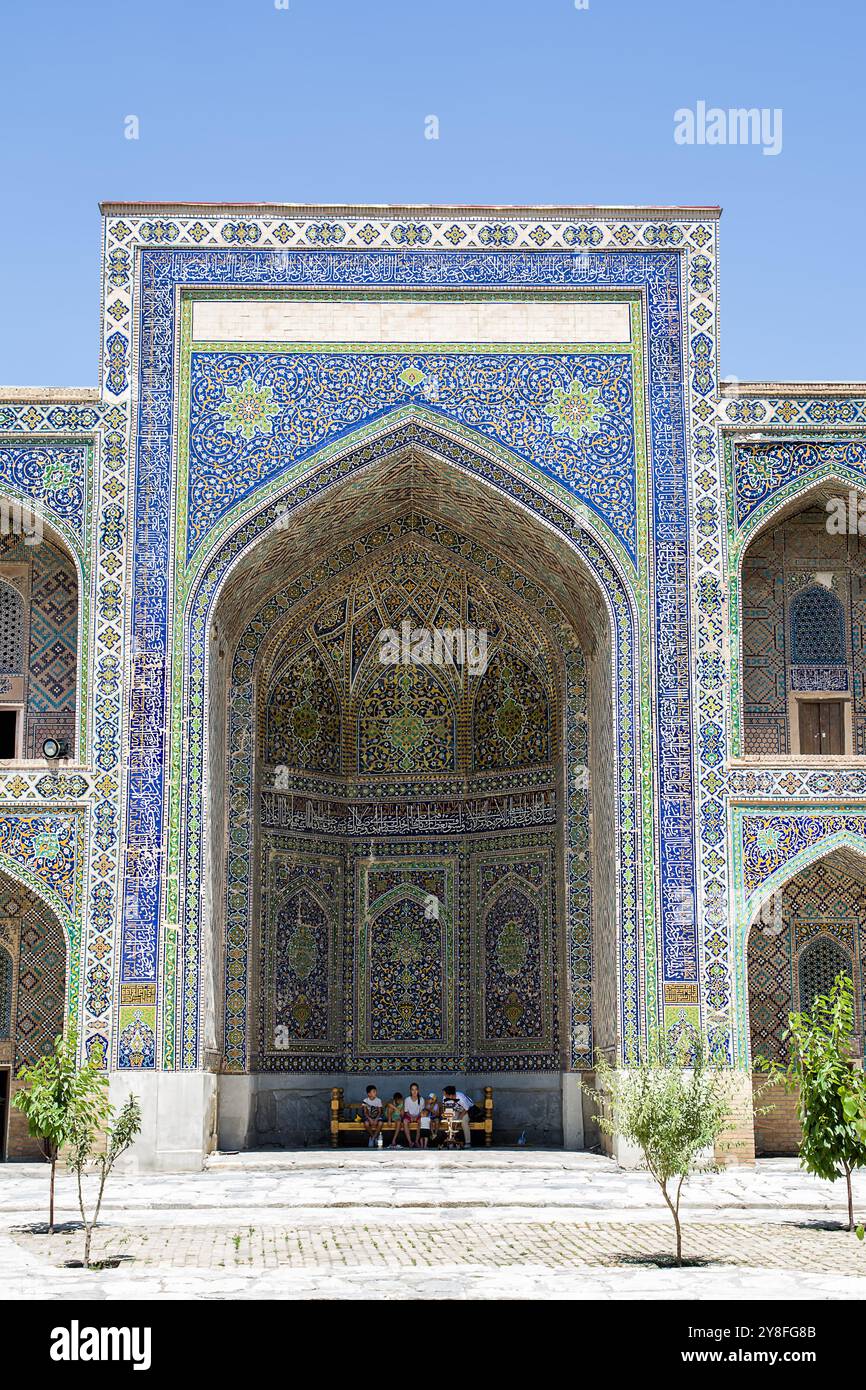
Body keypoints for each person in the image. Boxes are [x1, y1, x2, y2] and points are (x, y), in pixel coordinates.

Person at [442, 1084, 476, 1149]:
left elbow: (466, 1109)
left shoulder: (461, 1097)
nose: (444, 1095)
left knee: (463, 1122)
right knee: (451, 1121)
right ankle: (451, 1141)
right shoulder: (445, 1098)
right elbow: (447, 1109)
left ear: (451, 1095)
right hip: (456, 1110)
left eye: (445, 1094)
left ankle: (468, 1142)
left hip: (467, 1110)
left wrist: (459, 1119)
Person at [402, 1082, 424, 1148]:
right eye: (412, 1089)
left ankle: (417, 1141)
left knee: (421, 1121)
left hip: (418, 1115)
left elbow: (422, 1111)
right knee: (405, 1121)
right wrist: (411, 1117)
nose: (414, 1091)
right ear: (410, 1091)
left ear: (418, 1090)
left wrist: (416, 1117)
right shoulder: (407, 1099)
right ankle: (410, 1142)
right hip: (409, 1115)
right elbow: (406, 1111)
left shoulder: (421, 1099)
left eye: (416, 1089)